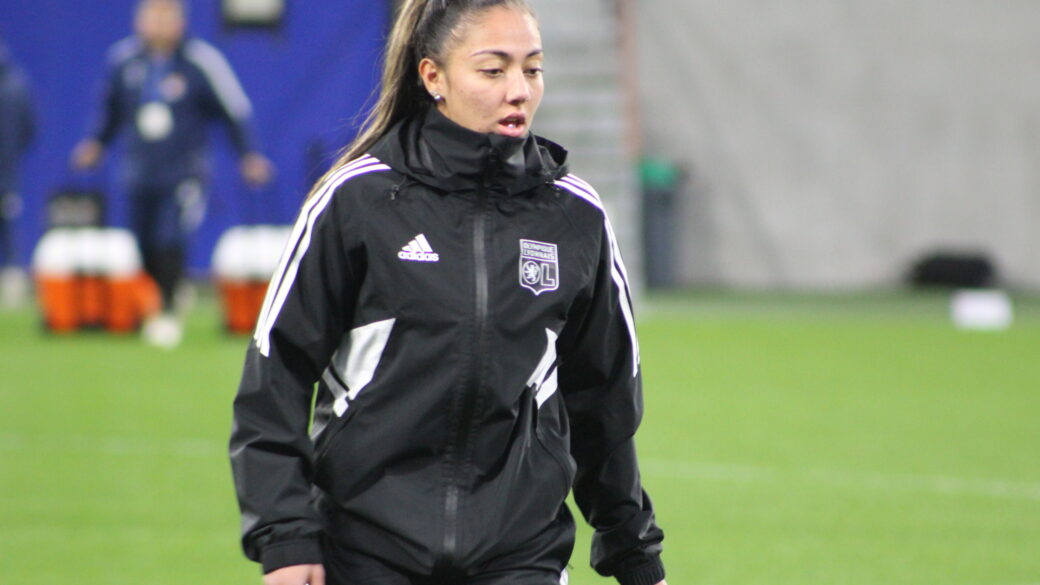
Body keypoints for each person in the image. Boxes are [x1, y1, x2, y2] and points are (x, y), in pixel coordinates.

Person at [229, 1, 666, 585]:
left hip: (520, 556)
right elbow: (275, 377)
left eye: (532, 69)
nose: (519, 90)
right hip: (364, 553)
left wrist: (633, 552)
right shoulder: (357, 202)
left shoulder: (575, 216)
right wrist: (284, 536)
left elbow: (604, 404)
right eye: (494, 70)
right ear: (433, 76)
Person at [70, 0, 273, 347]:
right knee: (142, 242)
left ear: (180, 21)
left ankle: (165, 310)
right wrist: (95, 144)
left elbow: (233, 110)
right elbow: (110, 111)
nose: (159, 24)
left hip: (184, 171)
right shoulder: (124, 61)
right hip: (138, 170)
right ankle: (155, 301)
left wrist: (248, 155)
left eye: (167, 16)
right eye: (152, 16)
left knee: (169, 237)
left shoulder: (200, 61)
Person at [0, 37, 36, 307]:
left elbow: (27, 129)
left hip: (5, 171)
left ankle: (12, 281)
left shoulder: (15, 84)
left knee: (8, 226)